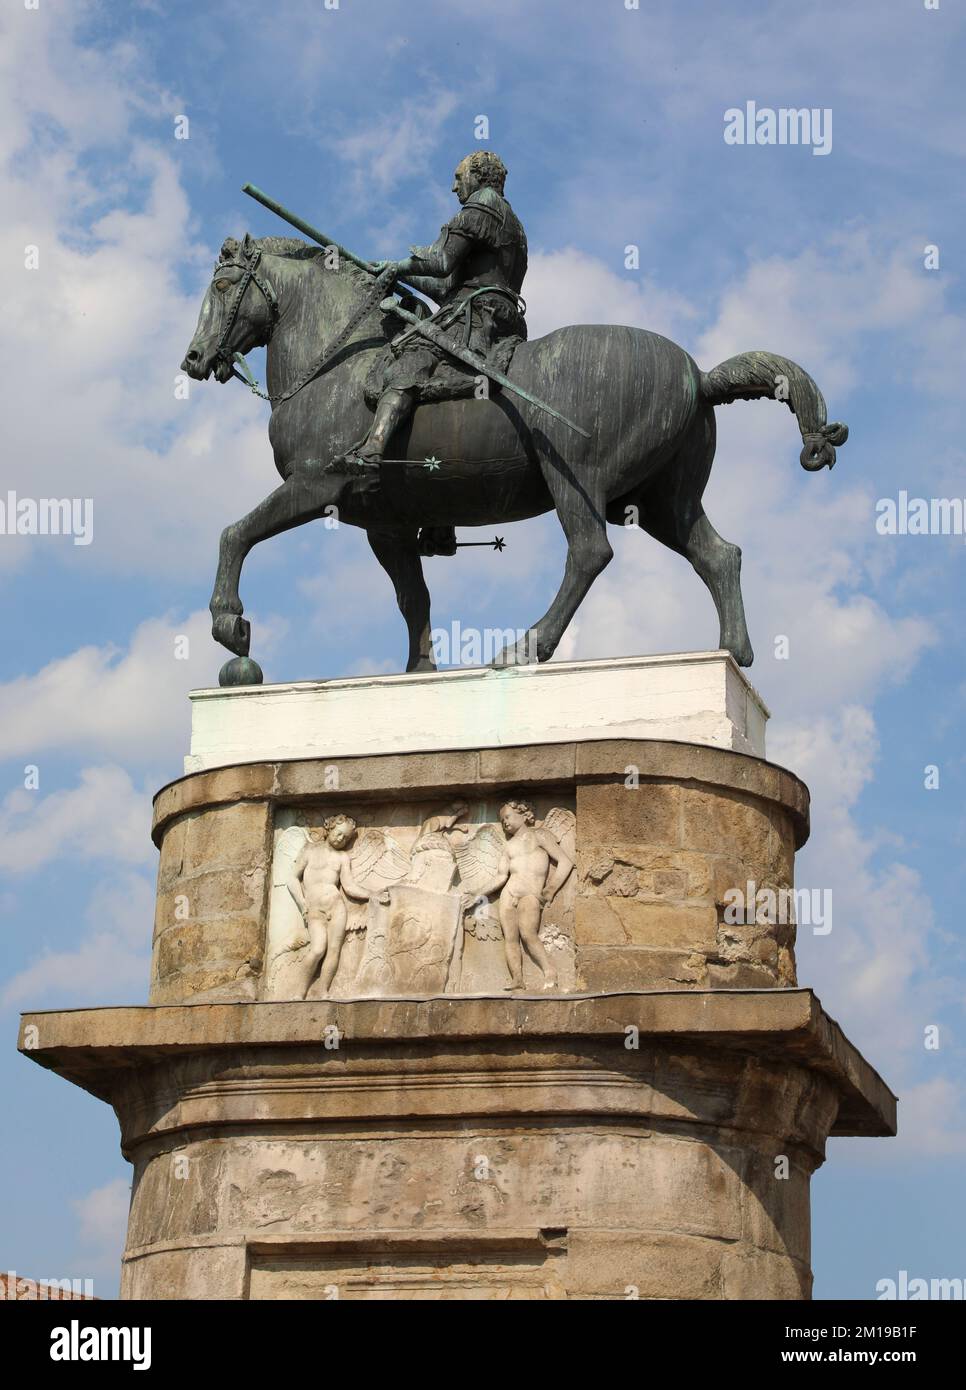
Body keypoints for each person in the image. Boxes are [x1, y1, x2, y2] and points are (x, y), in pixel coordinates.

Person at [334, 151, 528, 523]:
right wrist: (395, 275)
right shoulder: (511, 221)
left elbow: (440, 262)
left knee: (410, 359)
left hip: (476, 315)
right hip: (496, 313)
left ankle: (373, 448)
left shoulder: (482, 205)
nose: (454, 186)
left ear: (479, 177)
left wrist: (401, 264)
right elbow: (444, 286)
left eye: (459, 177)